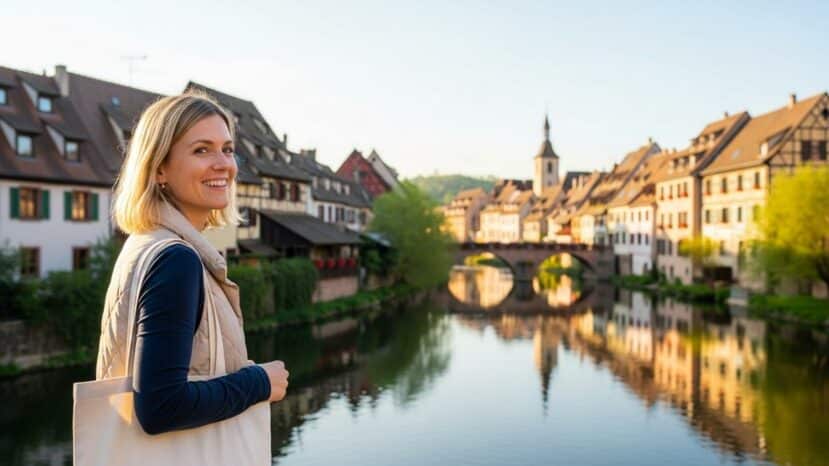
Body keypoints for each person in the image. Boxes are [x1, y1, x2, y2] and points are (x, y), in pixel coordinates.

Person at [95, 92, 289, 435]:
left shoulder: (145, 244)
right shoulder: (176, 259)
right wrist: (259, 382)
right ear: (159, 169)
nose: (224, 164)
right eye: (202, 150)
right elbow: (161, 407)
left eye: (227, 149)